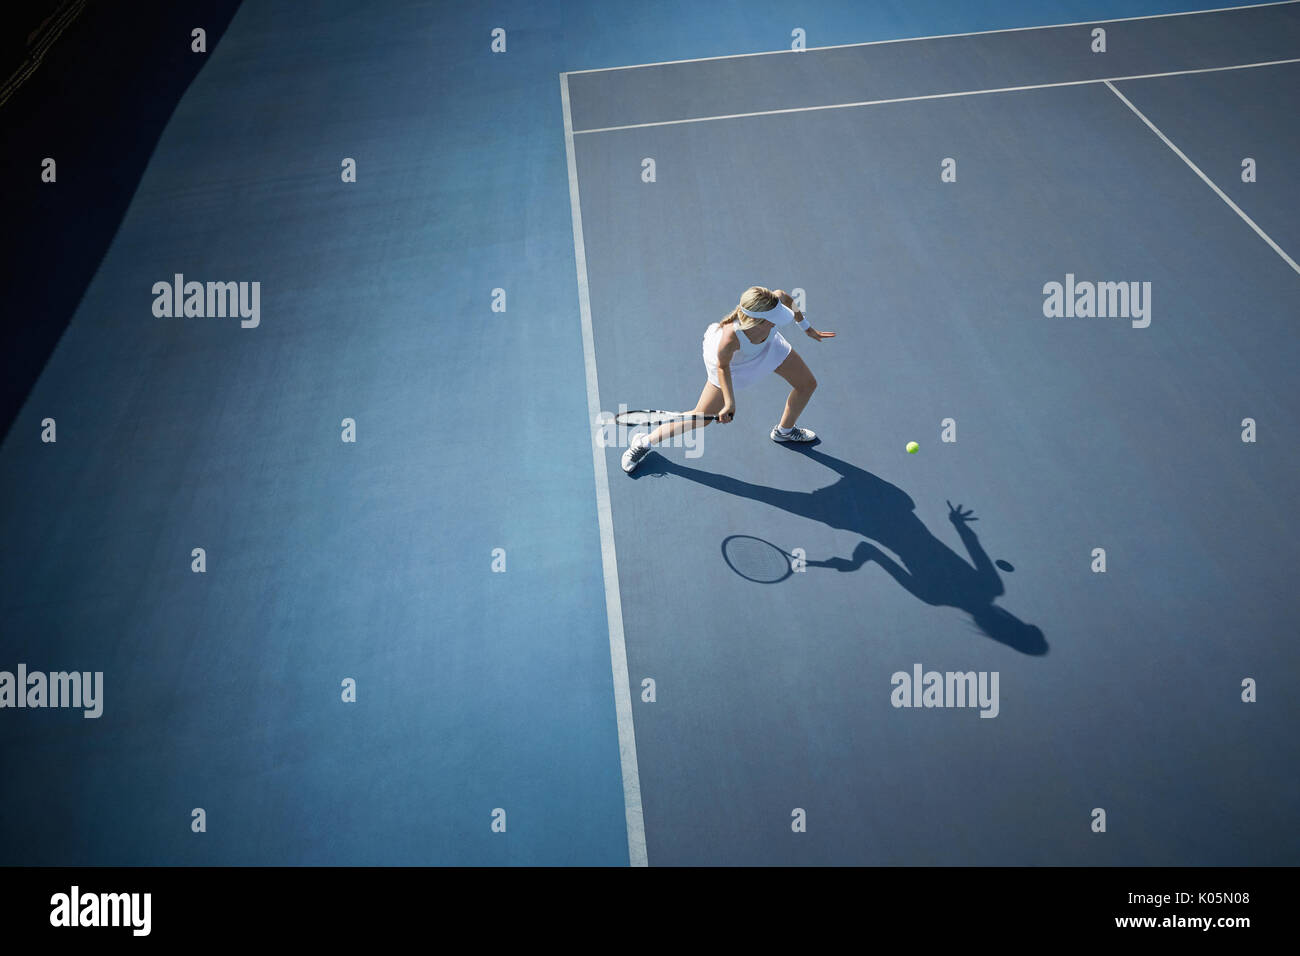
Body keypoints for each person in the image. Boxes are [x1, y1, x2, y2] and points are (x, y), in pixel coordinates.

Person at [621, 285, 835, 473]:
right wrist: (730, 403)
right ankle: (644, 442)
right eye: (773, 319)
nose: (778, 321)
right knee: (702, 418)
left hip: (769, 347)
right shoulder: (729, 338)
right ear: (757, 320)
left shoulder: (774, 302)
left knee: (807, 385)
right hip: (733, 366)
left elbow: (786, 299)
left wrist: (807, 328)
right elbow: (723, 367)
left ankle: (784, 431)